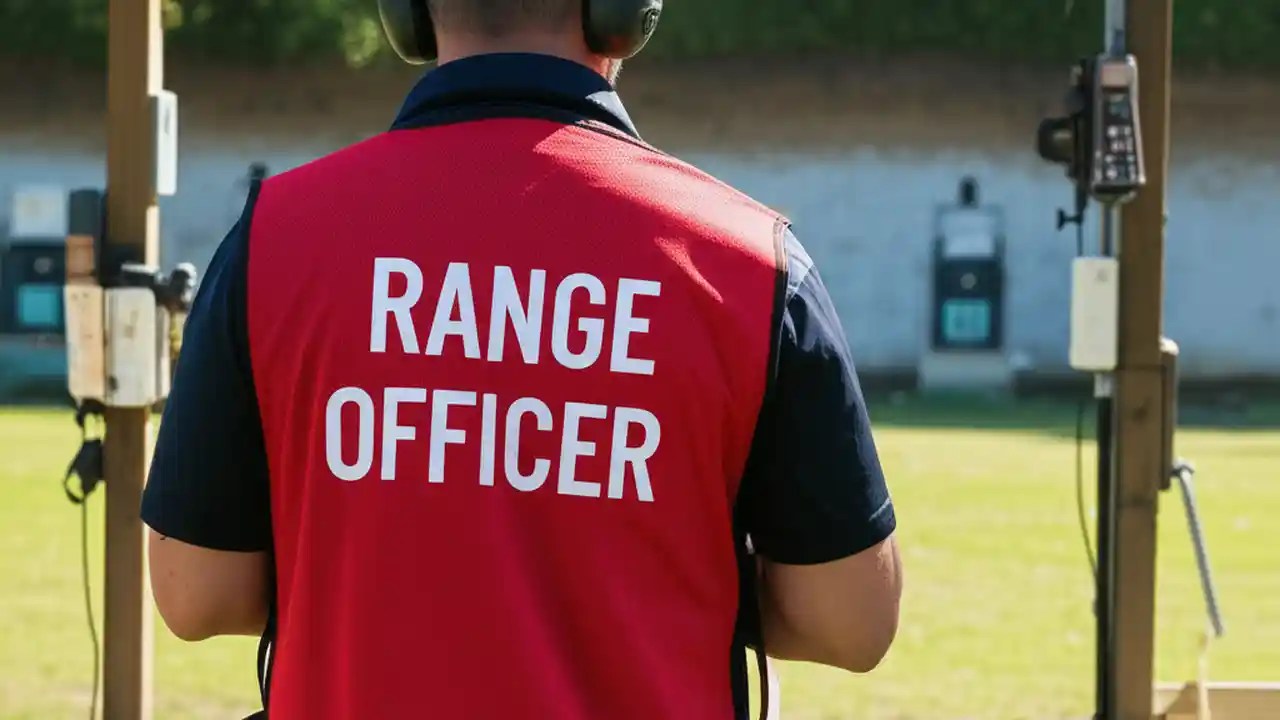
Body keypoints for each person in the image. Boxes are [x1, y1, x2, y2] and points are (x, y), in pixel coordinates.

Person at [141, 1, 902, 718]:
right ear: (624, 11)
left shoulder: (275, 237)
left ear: (407, 12)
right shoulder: (750, 263)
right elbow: (850, 623)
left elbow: (195, 593)